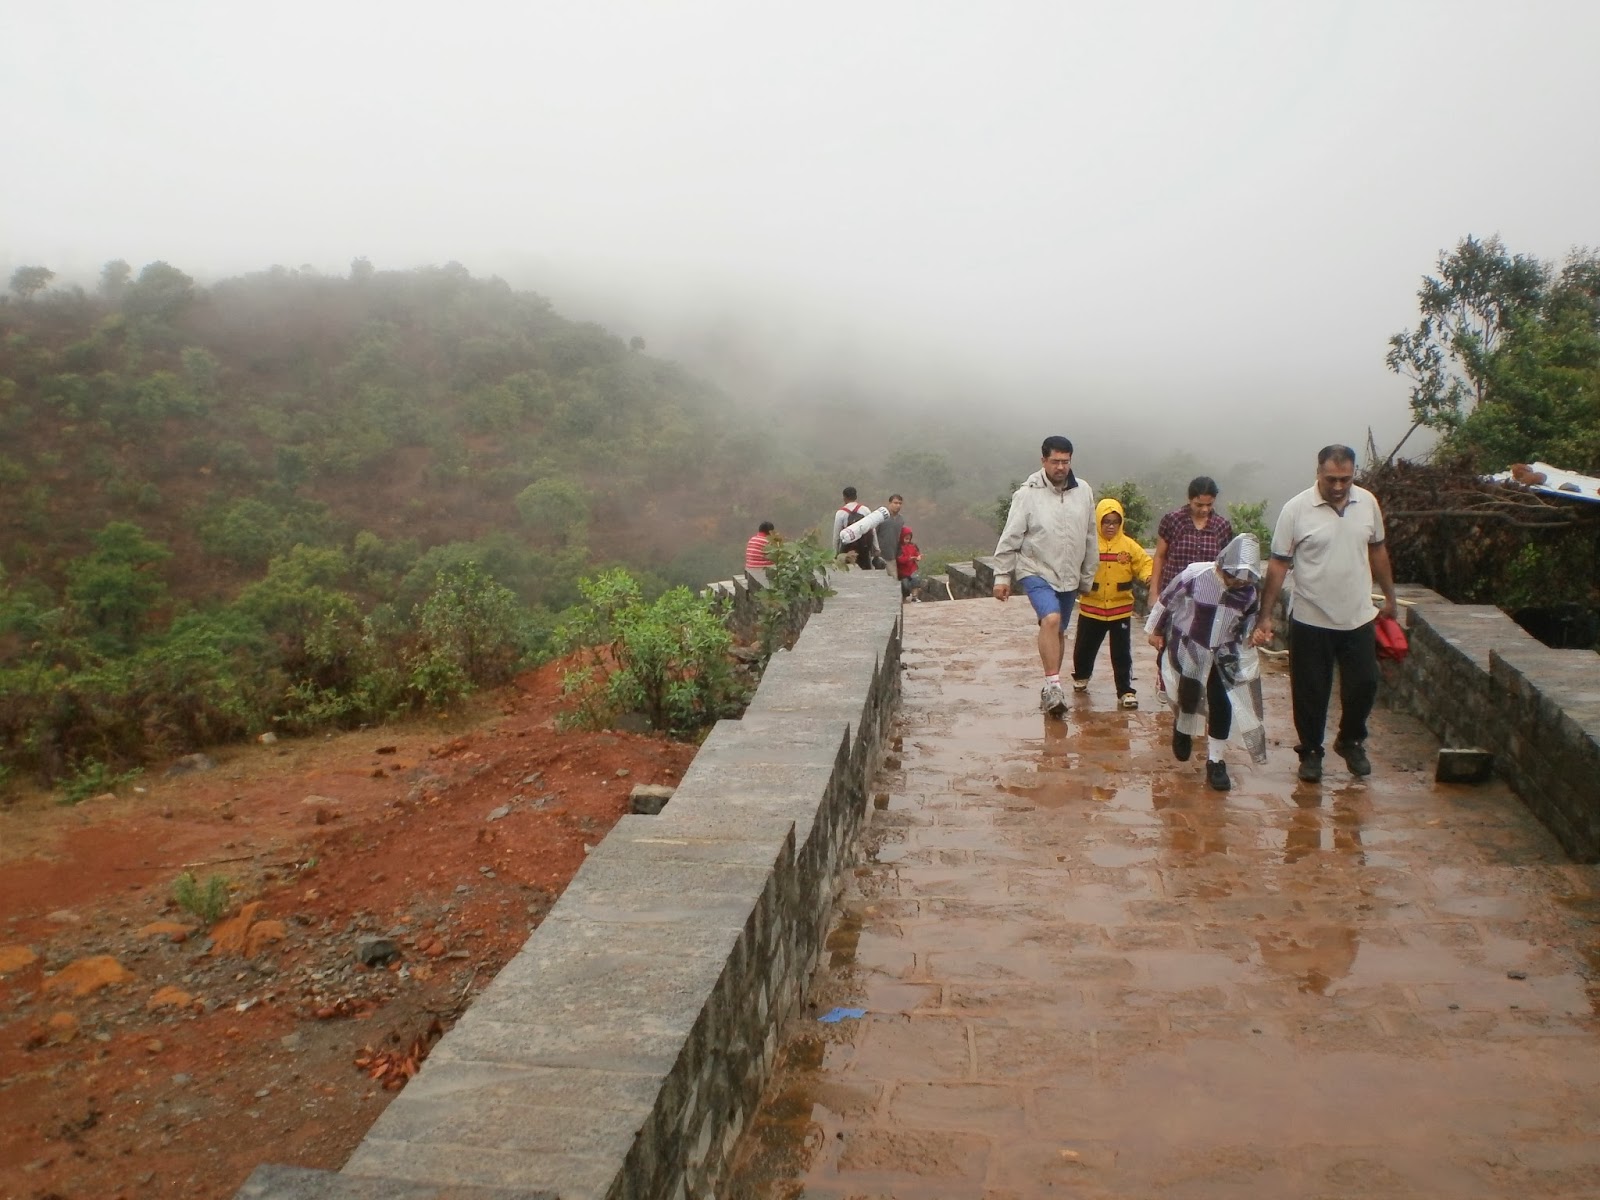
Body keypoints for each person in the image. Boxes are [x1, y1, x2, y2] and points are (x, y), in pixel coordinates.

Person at [1249, 445, 1398, 783]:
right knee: (1310, 691)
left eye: (1345, 479)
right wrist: (1265, 615)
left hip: (1359, 616)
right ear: (1318, 472)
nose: (1338, 486)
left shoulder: (1367, 503)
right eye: (1331, 479)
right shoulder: (1296, 510)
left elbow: (1377, 550)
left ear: (1353, 474)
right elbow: (1277, 564)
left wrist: (1390, 597)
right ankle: (1311, 751)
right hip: (1310, 617)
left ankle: (1350, 740)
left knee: (1364, 684)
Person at [1146, 534, 1268, 792]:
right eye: (1233, 575)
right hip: (1190, 645)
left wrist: (1254, 634)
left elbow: (1249, 622)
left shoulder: (1248, 592)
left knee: (1222, 703)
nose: (1237, 582)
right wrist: (1155, 631)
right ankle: (1183, 728)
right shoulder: (1195, 576)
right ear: (1222, 566)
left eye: (1243, 578)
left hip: (1225, 651)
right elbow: (1167, 602)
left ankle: (1216, 760)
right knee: (1188, 696)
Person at [992, 436, 1099, 717]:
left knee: (1058, 628)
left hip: (1069, 574)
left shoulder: (1084, 491)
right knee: (1050, 619)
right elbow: (1011, 535)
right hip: (1035, 568)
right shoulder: (1027, 494)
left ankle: (1051, 686)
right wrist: (1002, 575)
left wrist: (1087, 576)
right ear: (1043, 461)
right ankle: (1053, 685)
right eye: (1055, 461)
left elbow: (1090, 536)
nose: (1060, 467)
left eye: (1065, 461)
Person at [1072, 498, 1153, 708]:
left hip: (1120, 610)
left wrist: (1149, 576)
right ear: (1098, 521)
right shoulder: (1088, 545)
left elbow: (1144, 563)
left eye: (1115, 522)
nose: (1110, 526)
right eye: (1106, 521)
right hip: (1092, 607)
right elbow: (1073, 562)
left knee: (1121, 653)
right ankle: (1081, 675)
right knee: (1084, 648)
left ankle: (1125, 690)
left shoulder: (1128, 546)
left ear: (1121, 523)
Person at [1150, 476, 1235, 597]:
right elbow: (1160, 556)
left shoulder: (1221, 526)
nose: (1205, 509)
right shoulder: (1173, 521)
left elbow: (1225, 564)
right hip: (1173, 594)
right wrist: (1154, 592)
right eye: (1199, 505)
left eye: (1209, 505)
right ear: (1190, 499)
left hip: (1207, 597)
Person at [831, 486, 881, 570]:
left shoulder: (840, 513)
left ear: (844, 497)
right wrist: (876, 548)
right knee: (866, 572)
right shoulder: (865, 510)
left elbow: (837, 536)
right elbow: (872, 530)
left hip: (848, 550)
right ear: (856, 497)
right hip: (864, 549)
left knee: (847, 572)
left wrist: (834, 553)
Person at [878, 495, 905, 577]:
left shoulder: (901, 519)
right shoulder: (881, 517)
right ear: (889, 503)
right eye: (895, 503)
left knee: (893, 581)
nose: (898, 505)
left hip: (892, 557)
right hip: (879, 556)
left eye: (900, 503)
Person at [895, 525, 922, 599]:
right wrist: (908, 559)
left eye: (909, 539)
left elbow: (917, 553)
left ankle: (915, 597)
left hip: (912, 569)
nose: (908, 541)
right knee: (904, 585)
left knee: (916, 581)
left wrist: (918, 557)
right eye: (906, 539)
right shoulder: (899, 548)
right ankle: (904, 598)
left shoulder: (913, 545)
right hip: (903, 571)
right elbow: (899, 559)